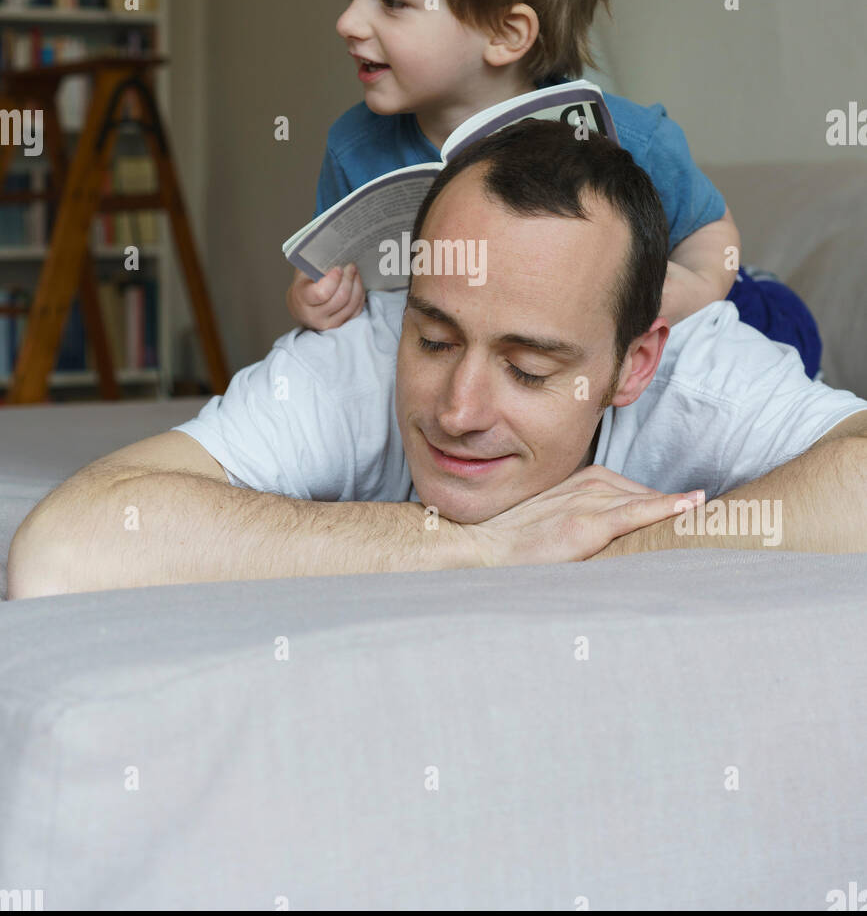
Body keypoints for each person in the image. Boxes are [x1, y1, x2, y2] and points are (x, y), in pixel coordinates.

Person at [8, 122, 865, 600]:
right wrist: (479, 548)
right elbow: (65, 549)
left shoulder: (697, 370)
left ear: (633, 364)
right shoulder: (360, 354)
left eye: (530, 369)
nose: (457, 410)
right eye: (437, 339)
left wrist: (608, 548)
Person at [286, 0, 821, 376]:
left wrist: (694, 287)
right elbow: (335, 282)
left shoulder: (624, 138)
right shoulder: (354, 150)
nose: (348, 21)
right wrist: (312, 301)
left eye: (390, 1)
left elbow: (710, 232)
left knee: (767, 333)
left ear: (504, 34)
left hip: (687, 320)